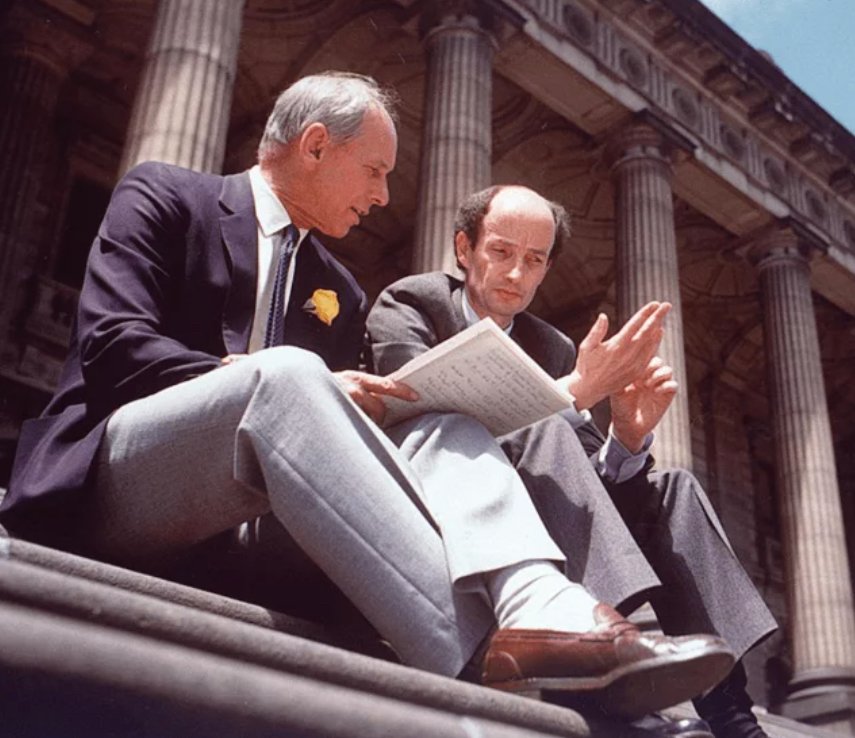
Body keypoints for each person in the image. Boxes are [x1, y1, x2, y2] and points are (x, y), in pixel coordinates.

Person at [0, 73, 731, 721]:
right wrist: (276, 378)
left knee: (441, 423)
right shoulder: (166, 195)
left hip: (258, 530)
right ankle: (507, 667)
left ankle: (542, 608)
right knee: (289, 376)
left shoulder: (339, 289)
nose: (383, 195)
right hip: (123, 483)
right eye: (375, 170)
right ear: (316, 145)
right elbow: (114, 347)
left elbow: (327, 440)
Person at [365, 184, 778, 738]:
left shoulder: (552, 347)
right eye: (501, 252)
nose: (517, 273)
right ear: (465, 248)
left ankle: (730, 711)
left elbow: (591, 479)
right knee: (547, 432)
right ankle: (607, 655)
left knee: (673, 486)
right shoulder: (412, 303)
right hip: (438, 497)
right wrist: (575, 392)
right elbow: (410, 407)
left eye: (535, 260)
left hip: (540, 507)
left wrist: (627, 435)